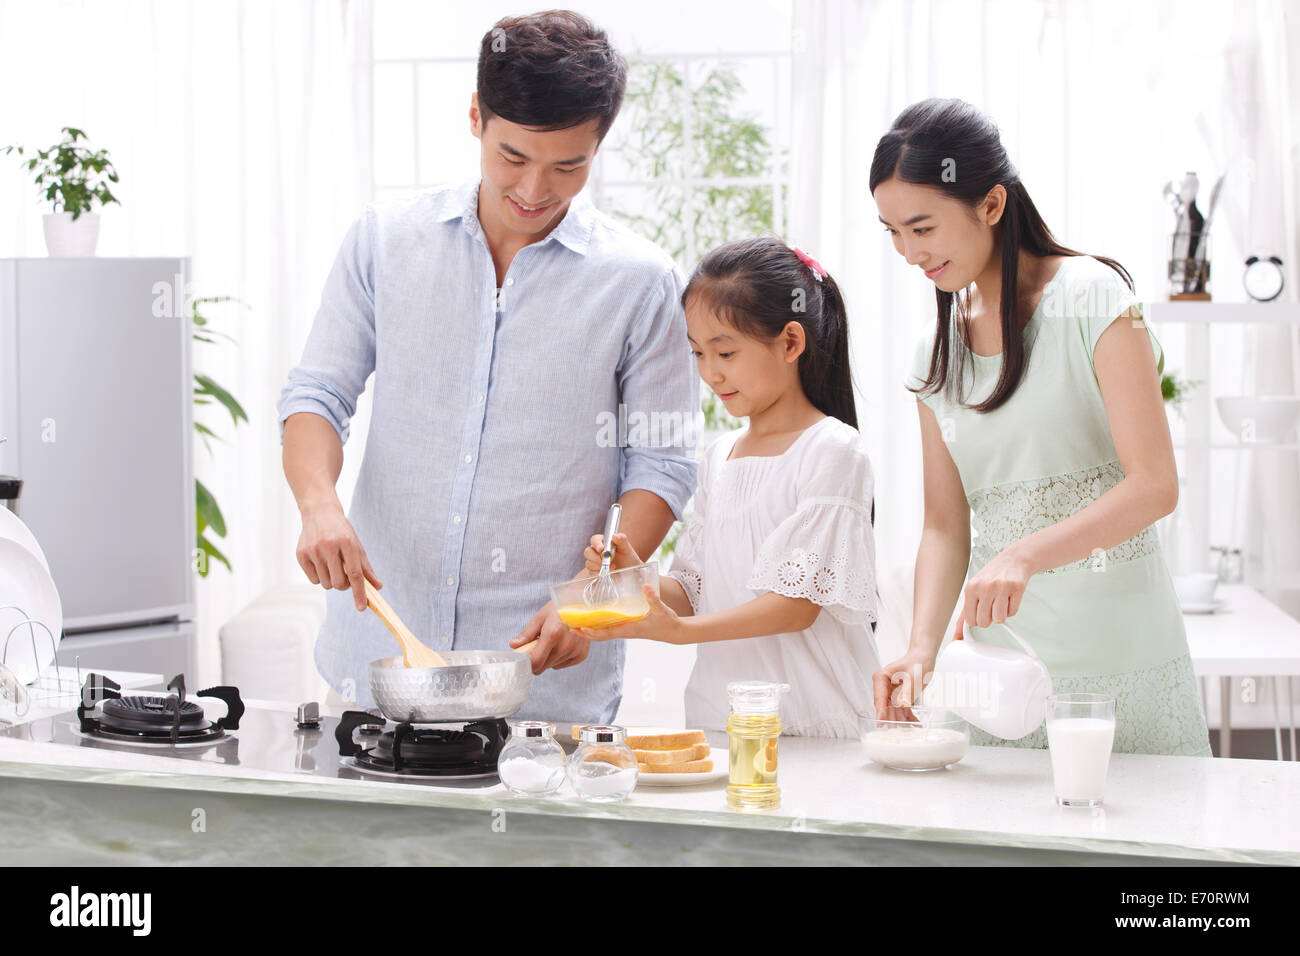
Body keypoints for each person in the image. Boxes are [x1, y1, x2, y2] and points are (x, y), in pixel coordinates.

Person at [277, 11, 698, 722]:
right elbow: (318, 392)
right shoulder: (385, 240)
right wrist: (318, 504)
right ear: (476, 116)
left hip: (542, 686)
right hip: (374, 666)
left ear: (599, 144)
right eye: (513, 157)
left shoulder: (640, 281)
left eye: (569, 165)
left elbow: (661, 465)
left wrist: (593, 599)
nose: (535, 189)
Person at [870, 98, 1211, 756]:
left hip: (1121, 660)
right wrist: (921, 651)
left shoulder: (1095, 298)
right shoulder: (932, 355)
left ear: (991, 205)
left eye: (923, 227)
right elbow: (945, 524)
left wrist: (1025, 554)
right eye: (892, 232)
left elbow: (1154, 485)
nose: (909, 252)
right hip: (1004, 683)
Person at [572, 237, 880, 737]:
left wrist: (678, 634)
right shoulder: (720, 457)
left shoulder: (833, 450)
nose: (709, 373)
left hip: (815, 719)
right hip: (725, 721)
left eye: (726, 352)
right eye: (697, 352)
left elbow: (796, 605)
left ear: (790, 343)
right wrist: (637, 578)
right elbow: (694, 591)